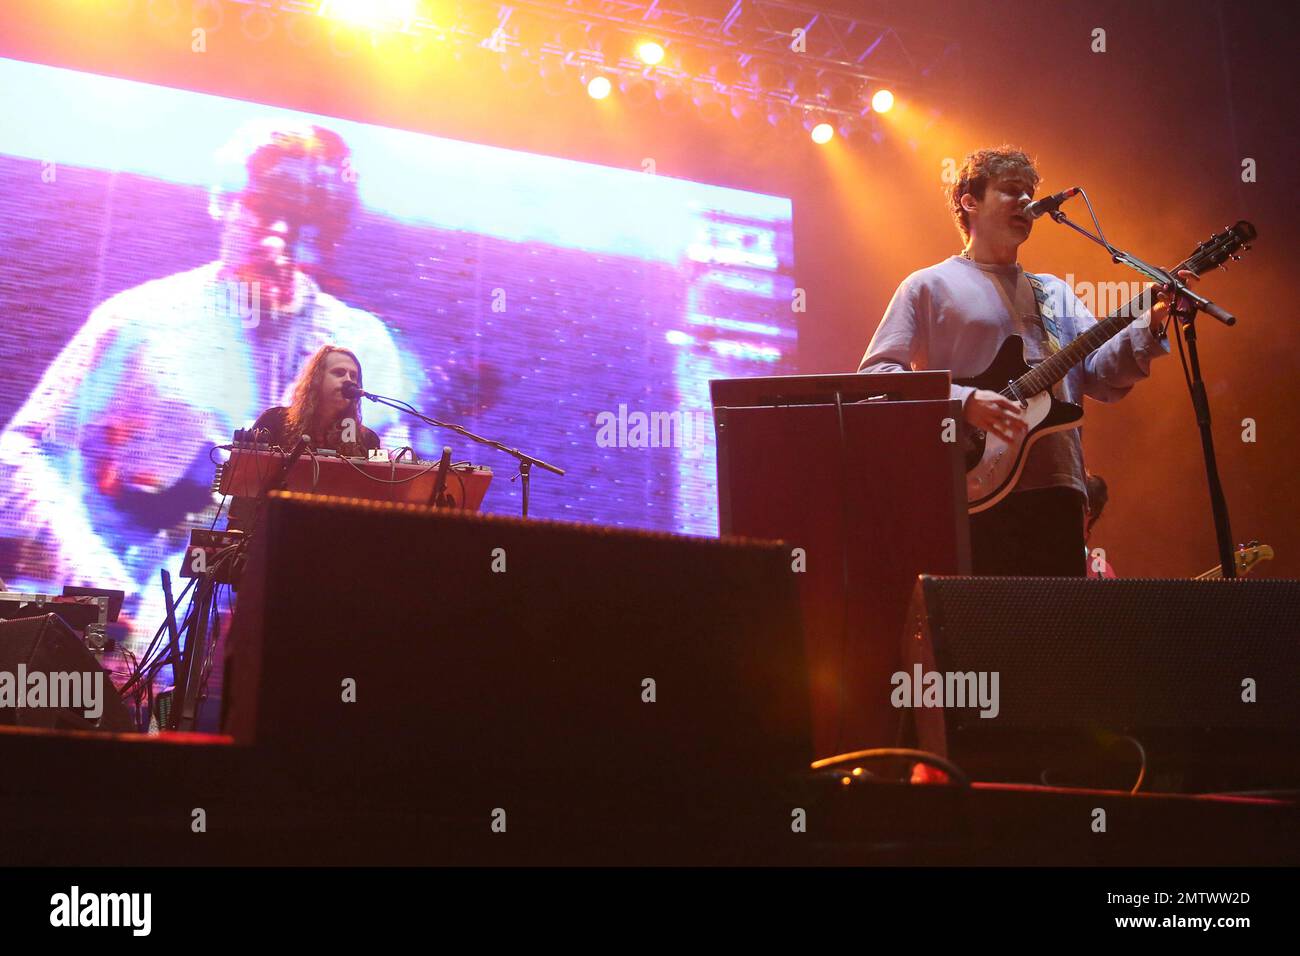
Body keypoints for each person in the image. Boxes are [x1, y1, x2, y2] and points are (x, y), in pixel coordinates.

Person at [0, 120, 417, 651]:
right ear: (222, 201)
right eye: (265, 207)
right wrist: (96, 577)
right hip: (133, 623)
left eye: (303, 215)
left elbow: (394, 486)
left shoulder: (363, 343)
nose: (279, 236)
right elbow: (23, 452)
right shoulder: (141, 320)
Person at [859, 145, 1189, 576]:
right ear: (969, 201)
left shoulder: (1054, 291)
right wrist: (962, 401)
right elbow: (879, 378)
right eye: (1011, 191)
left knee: (1055, 632)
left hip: (1057, 485)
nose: (1026, 203)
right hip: (970, 488)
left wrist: (1155, 320)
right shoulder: (928, 285)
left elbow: (1101, 375)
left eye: (1029, 193)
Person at [226, 344, 380, 530]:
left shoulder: (367, 440)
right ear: (316, 379)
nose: (349, 381)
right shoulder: (274, 421)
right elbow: (245, 489)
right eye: (339, 373)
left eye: (353, 376)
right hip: (272, 535)